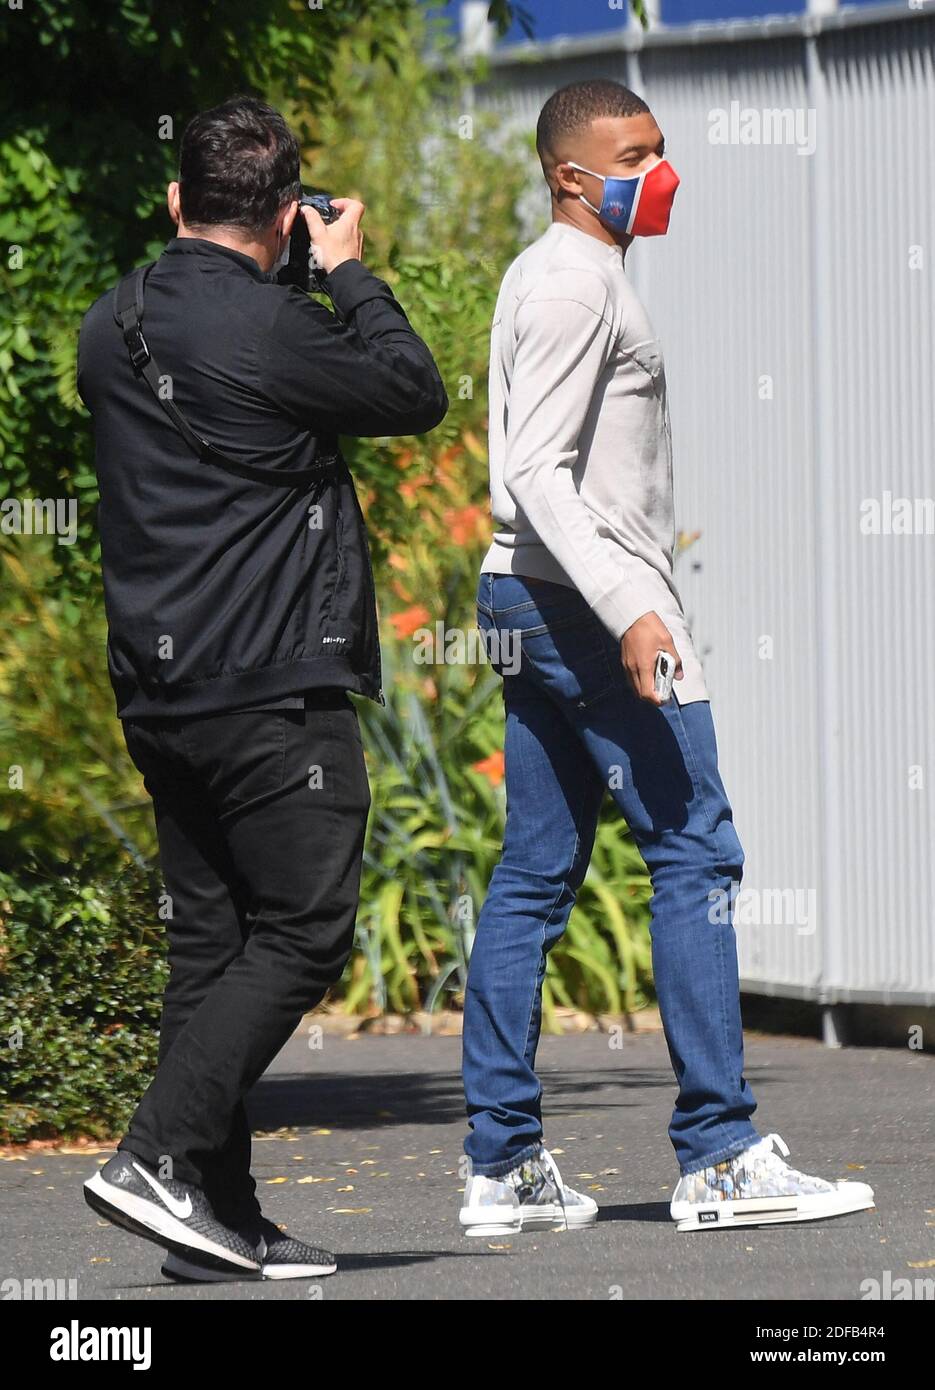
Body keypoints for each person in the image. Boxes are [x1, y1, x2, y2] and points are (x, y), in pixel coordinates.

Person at [460, 78, 874, 1237]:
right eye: (635, 153)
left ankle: (501, 1164)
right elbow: (533, 472)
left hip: (523, 593)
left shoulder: (556, 272)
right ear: (569, 178)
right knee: (695, 849)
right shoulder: (571, 284)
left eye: (660, 145)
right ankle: (720, 1151)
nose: (660, 169)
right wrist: (632, 609)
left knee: (535, 869)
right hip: (585, 604)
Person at [77, 95, 447, 1280]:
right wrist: (343, 270)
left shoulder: (108, 321)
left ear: (176, 201)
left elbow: (226, 381)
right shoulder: (286, 327)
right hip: (270, 688)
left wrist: (286, 273)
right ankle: (153, 1156)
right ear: (287, 212)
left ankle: (211, 1222)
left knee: (213, 947)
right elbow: (409, 390)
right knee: (303, 928)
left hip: (159, 689)